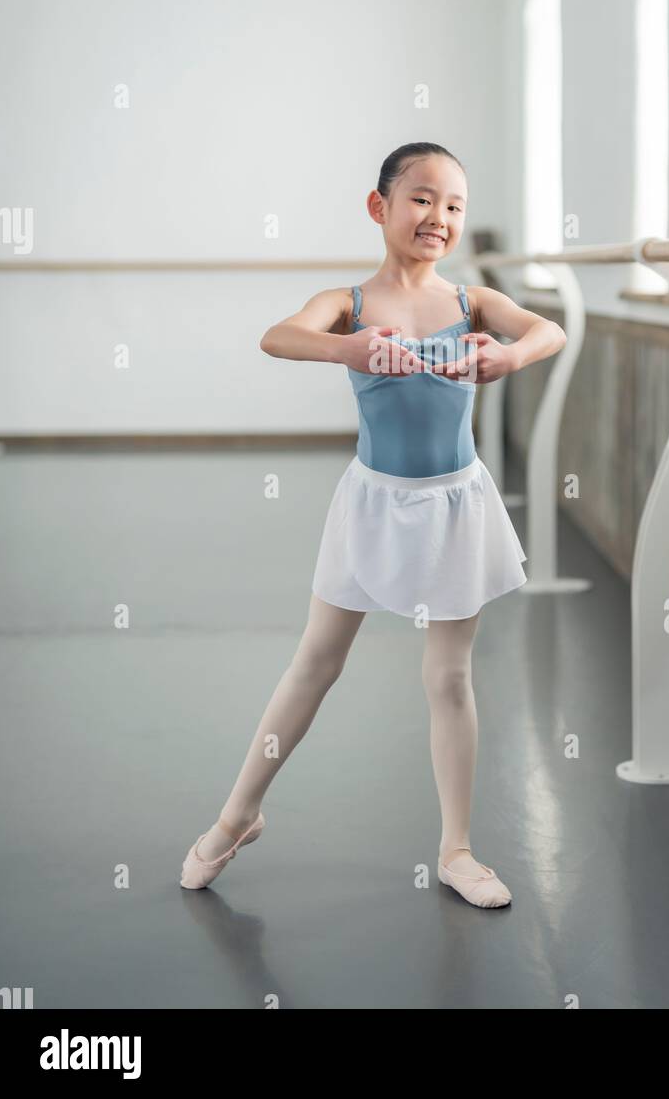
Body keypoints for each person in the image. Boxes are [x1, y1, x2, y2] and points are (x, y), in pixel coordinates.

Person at [180, 142, 566, 906]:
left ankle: (456, 849)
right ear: (379, 206)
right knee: (317, 661)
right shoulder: (349, 303)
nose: (439, 217)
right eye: (422, 198)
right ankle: (238, 812)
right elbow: (279, 335)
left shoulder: (471, 304)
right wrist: (346, 349)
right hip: (373, 503)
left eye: (454, 205)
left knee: (449, 676)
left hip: (457, 504)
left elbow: (546, 329)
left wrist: (507, 359)